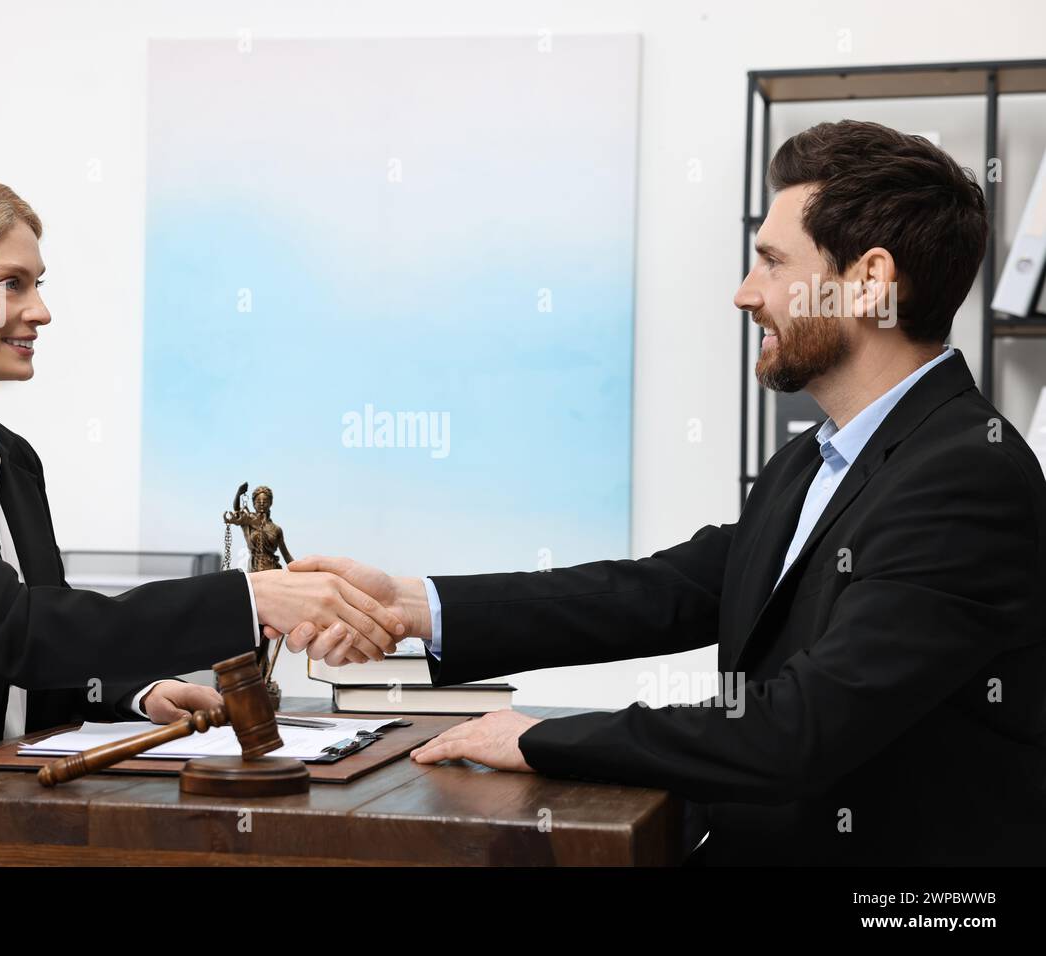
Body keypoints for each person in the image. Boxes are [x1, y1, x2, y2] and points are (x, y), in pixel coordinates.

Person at [278, 121, 1046, 865]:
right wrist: (413, 607)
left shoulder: (966, 478)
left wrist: (534, 736)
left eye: (773, 263)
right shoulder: (812, 463)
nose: (747, 294)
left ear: (870, 282)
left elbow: (797, 729)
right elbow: (660, 592)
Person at [0, 171, 404, 857]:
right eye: (12, 284)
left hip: (3, 798)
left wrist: (138, 693)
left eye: (39, 285)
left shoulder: (11, 457)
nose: (40, 311)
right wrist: (249, 598)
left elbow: (44, 630)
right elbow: (18, 633)